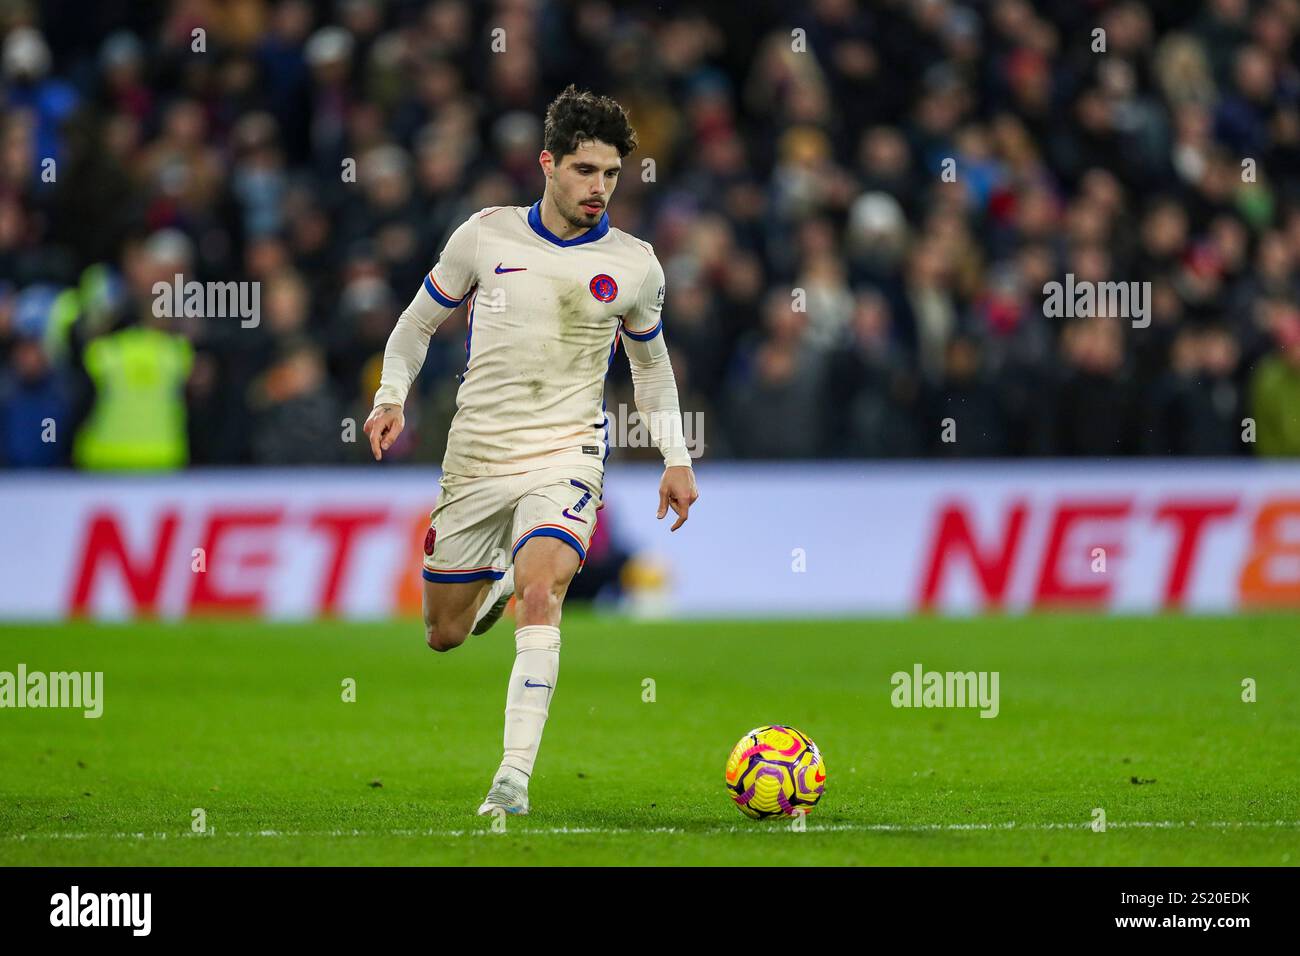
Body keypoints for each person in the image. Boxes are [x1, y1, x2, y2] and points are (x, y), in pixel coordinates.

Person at [363, 86, 698, 815]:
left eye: (611, 174)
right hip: (478, 455)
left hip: (566, 454)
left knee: (544, 593)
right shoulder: (484, 236)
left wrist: (676, 455)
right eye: (584, 170)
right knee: (443, 635)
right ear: (547, 163)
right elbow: (416, 326)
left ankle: (511, 780)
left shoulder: (635, 264)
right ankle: (493, 584)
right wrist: (391, 396)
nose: (598, 188)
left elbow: (650, 366)